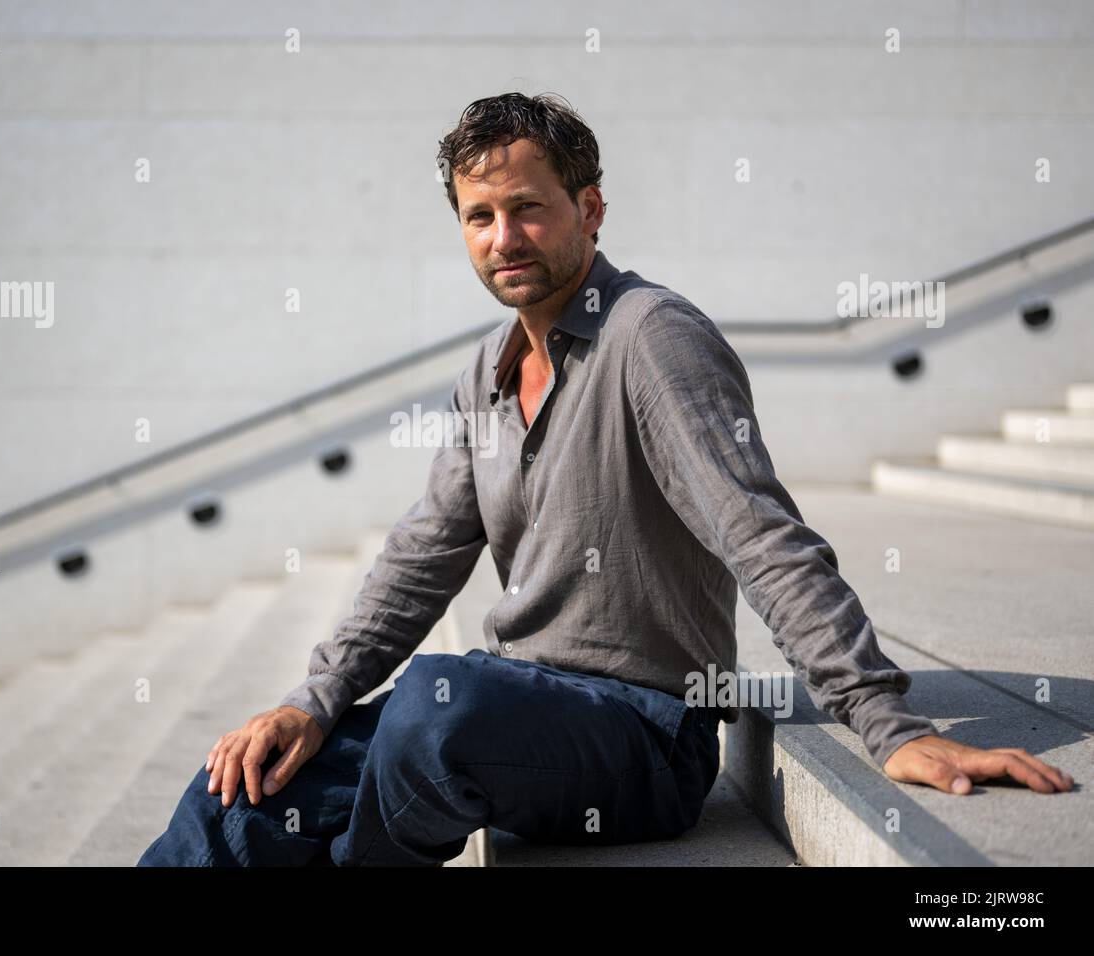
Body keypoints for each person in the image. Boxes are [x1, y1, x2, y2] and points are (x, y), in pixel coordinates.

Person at [137, 92, 1073, 867]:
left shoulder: (651, 337)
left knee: (431, 713)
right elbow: (420, 558)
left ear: (589, 209)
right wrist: (312, 700)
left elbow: (757, 531)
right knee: (240, 781)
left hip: (646, 732)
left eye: (528, 208)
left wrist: (885, 722)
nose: (504, 237)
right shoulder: (487, 370)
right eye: (479, 217)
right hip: (515, 704)